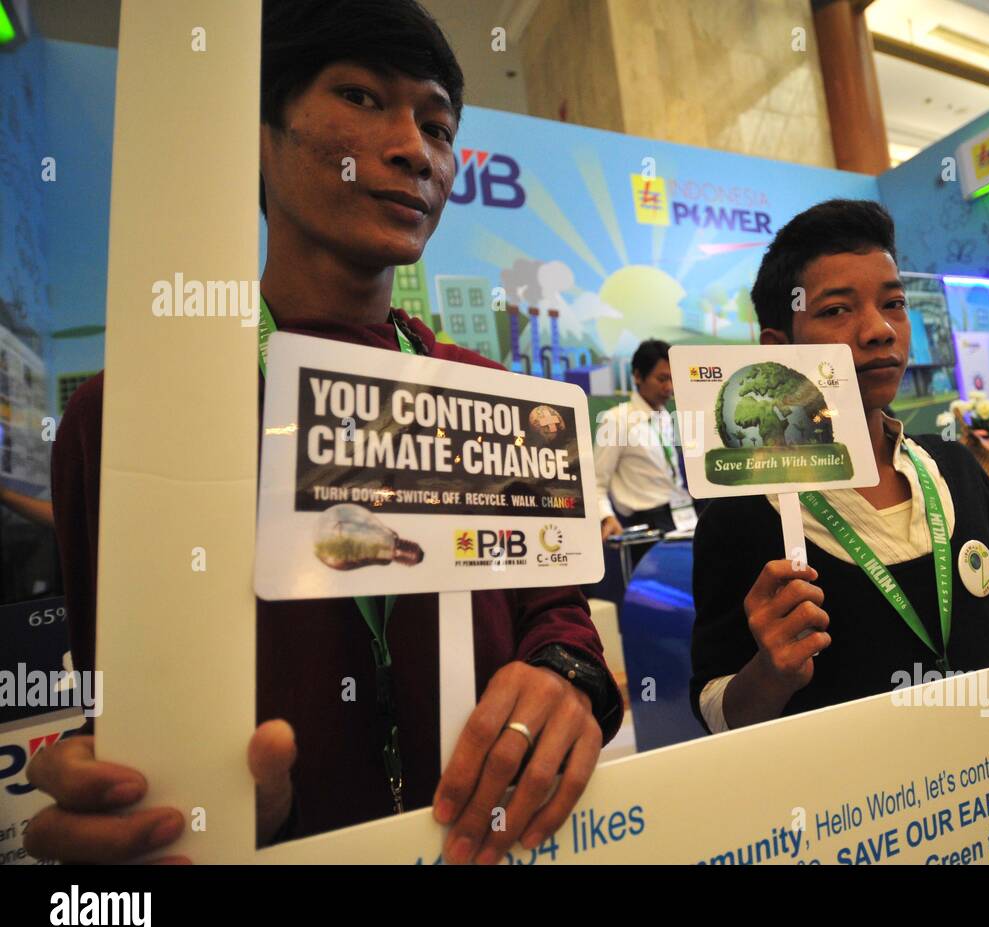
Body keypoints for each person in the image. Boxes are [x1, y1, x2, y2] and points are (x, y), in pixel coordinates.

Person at [26, 0, 621, 867]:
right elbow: (118, 697)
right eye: (361, 97)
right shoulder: (130, 417)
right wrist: (146, 803)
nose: (414, 149)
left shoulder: (496, 396)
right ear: (259, 135)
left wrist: (568, 683)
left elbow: (560, 619)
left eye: (437, 123)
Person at [690, 199, 989, 734]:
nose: (879, 330)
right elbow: (713, 703)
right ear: (778, 348)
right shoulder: (744, 513)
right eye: (836, 310)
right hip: (866, 807)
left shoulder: (954, 468)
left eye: (893, 303)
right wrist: (767, 675)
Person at [593, 338, 695, 538]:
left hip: (681, 515)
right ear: (638, 376)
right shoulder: (616, 419)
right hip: (647, 524)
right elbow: (596, 482)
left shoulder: (665, 417)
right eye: (662, 379)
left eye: (673, 379)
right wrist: (606, 517)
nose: (669, 388)